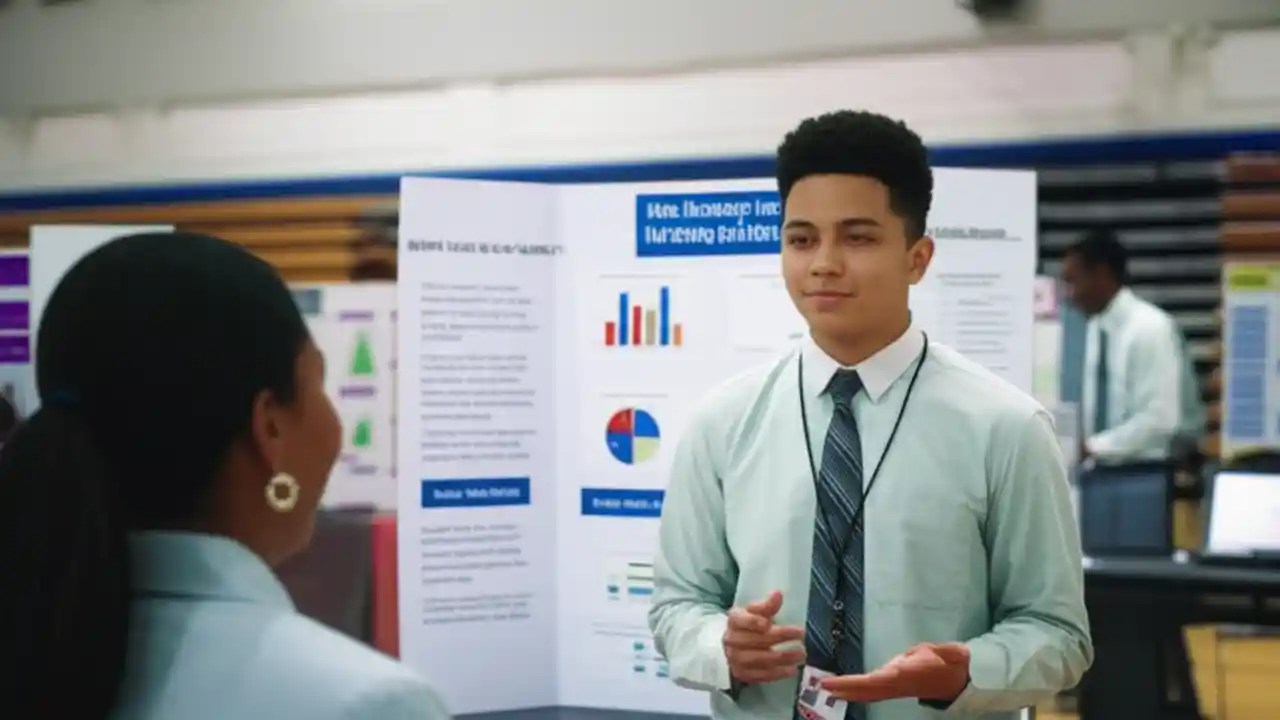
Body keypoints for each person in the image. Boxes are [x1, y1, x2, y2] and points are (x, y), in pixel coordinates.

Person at [649, 110, 1093, 720]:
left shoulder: (1005, 428)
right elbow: (678, 605)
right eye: (801, 239)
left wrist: (968, 672)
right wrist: (718, 647)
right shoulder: (723, 423)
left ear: (917, 258)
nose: (824, 263)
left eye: (857, 237)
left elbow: (1058, 632)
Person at [0, 232, 450, 720]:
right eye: (318, 384)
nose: (335, 425)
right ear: (269, 426)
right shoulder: (367, 703)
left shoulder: (32, 650)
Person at [1059, 228, 1203, 464]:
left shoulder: (1151, 328)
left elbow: (1160, 419)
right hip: (1099, 472)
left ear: (1101, 275)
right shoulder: (1095, 330)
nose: (1070, 295)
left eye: (1073, 282)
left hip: (1144, 475)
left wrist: (1094, 447)